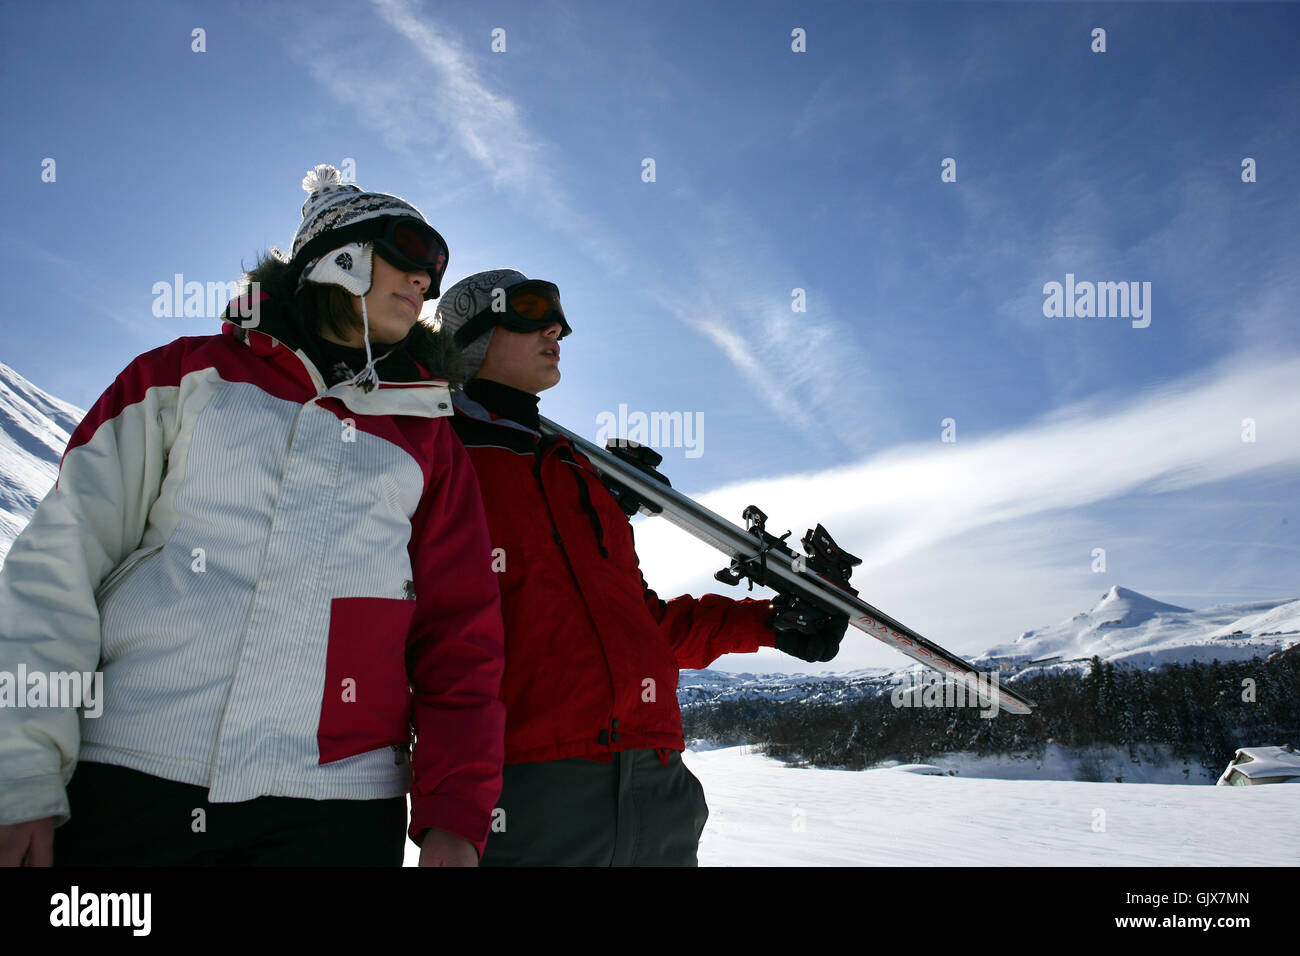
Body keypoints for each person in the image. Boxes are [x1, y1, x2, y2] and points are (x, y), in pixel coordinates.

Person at [0, 166, 505, 867]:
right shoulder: (180, 377)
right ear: (340, 254)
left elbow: (462, 635)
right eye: (412, 250)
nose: (428, 279)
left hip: (338, 810)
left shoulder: (427, 435)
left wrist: (455, 815)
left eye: (437, 270)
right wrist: (20, 776)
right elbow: (60, 563)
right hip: (134, 776)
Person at [434, 269, 847, 866]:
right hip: (532, 784)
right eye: (529, 309)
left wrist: (768, 625)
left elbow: (638, 624)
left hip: (658, 781)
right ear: (470, 333)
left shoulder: (582, 476)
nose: (557, 327)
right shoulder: (438, 455)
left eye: (559, 313)